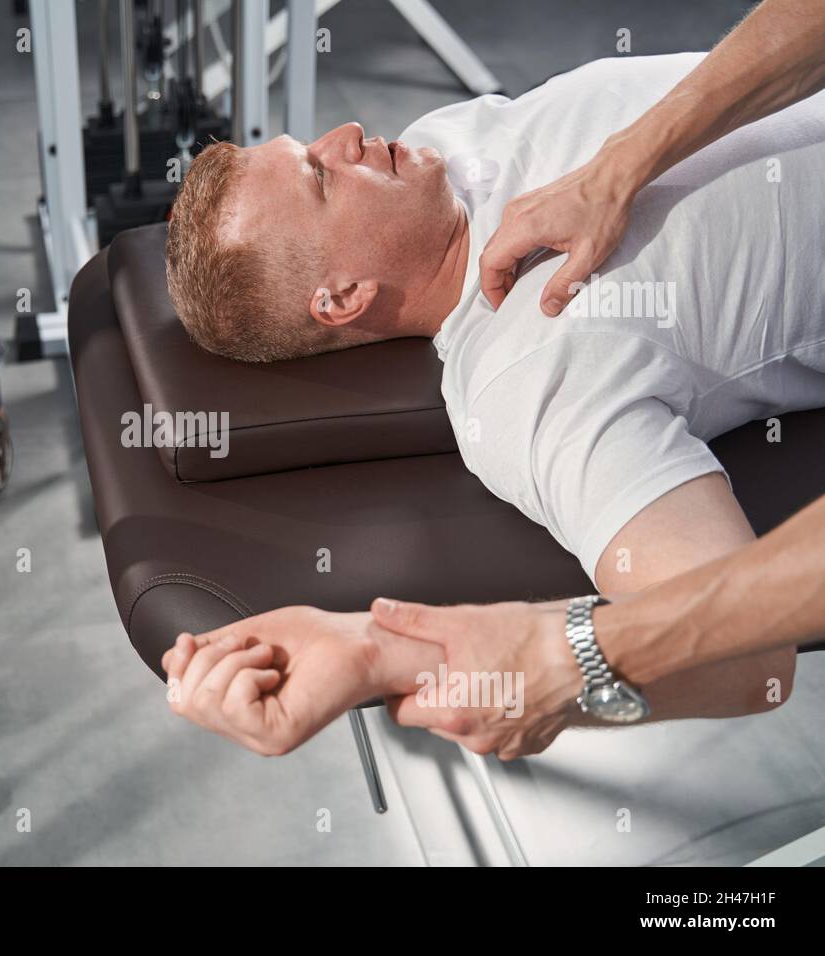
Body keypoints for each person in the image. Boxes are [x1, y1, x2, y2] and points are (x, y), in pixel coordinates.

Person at [160, 10, 825, 754]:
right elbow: (748, 663)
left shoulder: (442, 142)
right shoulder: (527, 386)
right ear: (344, 297)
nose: (346, 133)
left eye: (312, 146)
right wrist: (393, 655)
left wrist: (620, 168)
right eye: (320, 174)